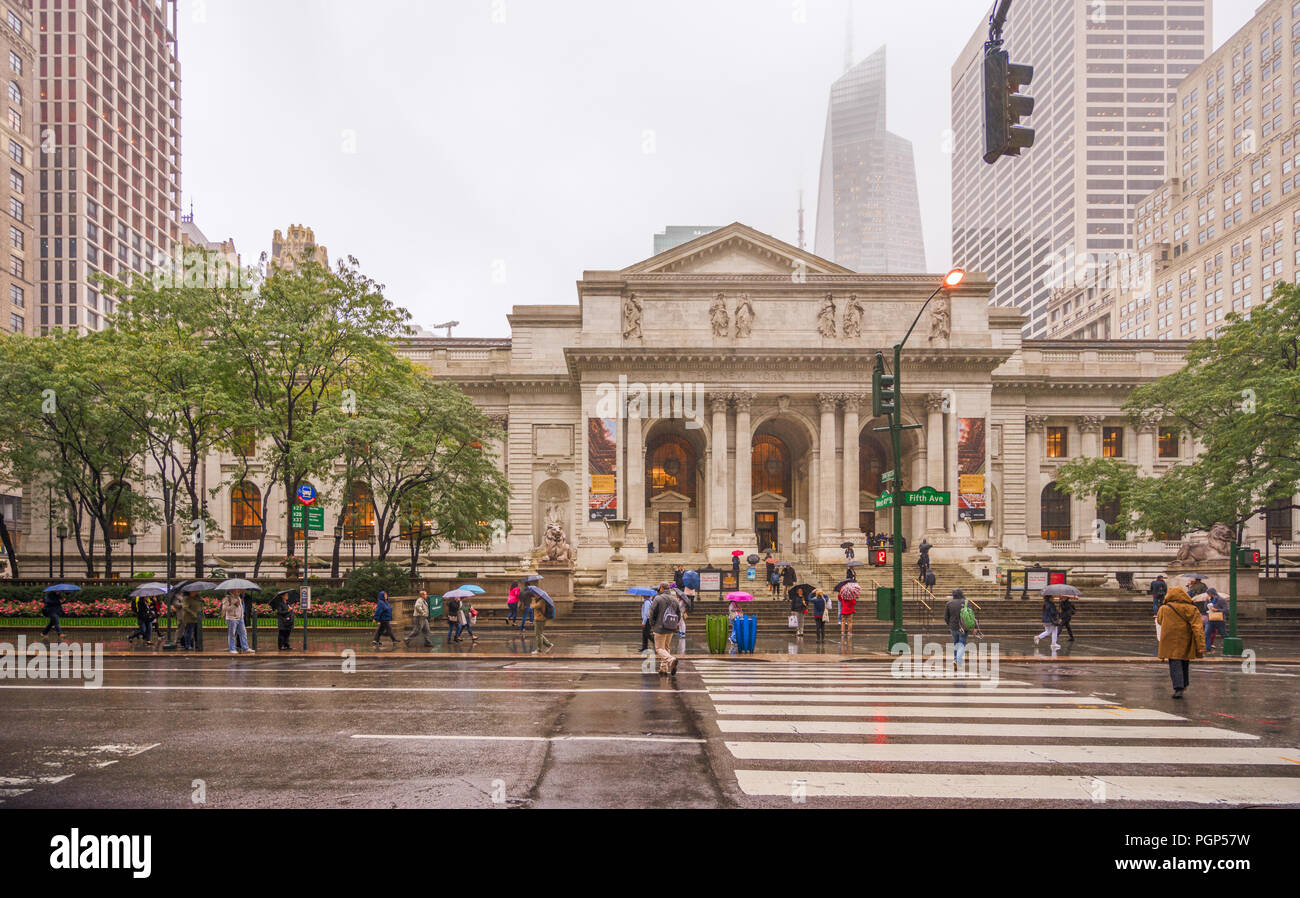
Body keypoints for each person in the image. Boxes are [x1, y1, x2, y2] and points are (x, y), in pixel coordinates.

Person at [1156, 585, 1205, 698]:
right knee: (1184, 661)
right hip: (1186, 639)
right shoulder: (1192, 609)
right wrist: (1201, 645)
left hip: (1170, 639)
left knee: (1174, 663)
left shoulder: (1164, 608)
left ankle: (1178, 687)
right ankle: (1184, 684)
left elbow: (1159, 621)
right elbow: (1198, 628)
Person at [647, 587, 683, 675]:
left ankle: (671, 660)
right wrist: (675, 624)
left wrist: (652, 624)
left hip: (660, 627)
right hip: (671, 627)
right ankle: (663, 668)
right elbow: (679, 614)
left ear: (662, 588)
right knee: (666, 648)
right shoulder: (674, 599)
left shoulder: (658, 598)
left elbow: (652, 612)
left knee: (659, 648)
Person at [944, 588, 976, 668]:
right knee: (962, 644)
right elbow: (971, 616)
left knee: (956, 643)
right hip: (964, 627)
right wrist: (974, 627)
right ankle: (957, 660)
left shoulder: (949, 603)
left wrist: (949, 624)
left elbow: (946, 617)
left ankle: (956, 659)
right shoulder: (966, 602)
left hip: (953, 627)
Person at [222, 590, 253, 654]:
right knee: (232, 634)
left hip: (240, 618)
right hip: (231, 619)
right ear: (232, 590)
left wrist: (242, 616)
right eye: (236, 590)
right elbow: (225, 609)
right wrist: (234, 605)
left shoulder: (238, 597)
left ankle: (245, 647)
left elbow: (240, 608)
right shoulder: (227, 598)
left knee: (243, 633)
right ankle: (232, 649)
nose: (238, 591)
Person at [530, 586, 554, 655]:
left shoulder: (541, 601)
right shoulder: (539, 600)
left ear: (537, 594)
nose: (533, 595)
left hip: (540, 619)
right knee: (539, 634)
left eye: (534, 594)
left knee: (538, 634)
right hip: (538, 618)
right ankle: (549, 645)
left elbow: (533, 606)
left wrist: (533, 600)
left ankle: (539, 649)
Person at [1204, 588, 1228, 653]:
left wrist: (1217, 610)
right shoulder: (1210, 600)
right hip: (1210, 619)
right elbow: (1205, 608)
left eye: (1208, 594)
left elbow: (1226, 610)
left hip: (1219, 619)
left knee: (1223, 633)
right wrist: (1206, 601)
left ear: (1212, 593)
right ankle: (1207, 648)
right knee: (1207, 633)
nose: (1208, 595)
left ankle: (1229, 645)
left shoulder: (1221, 600)